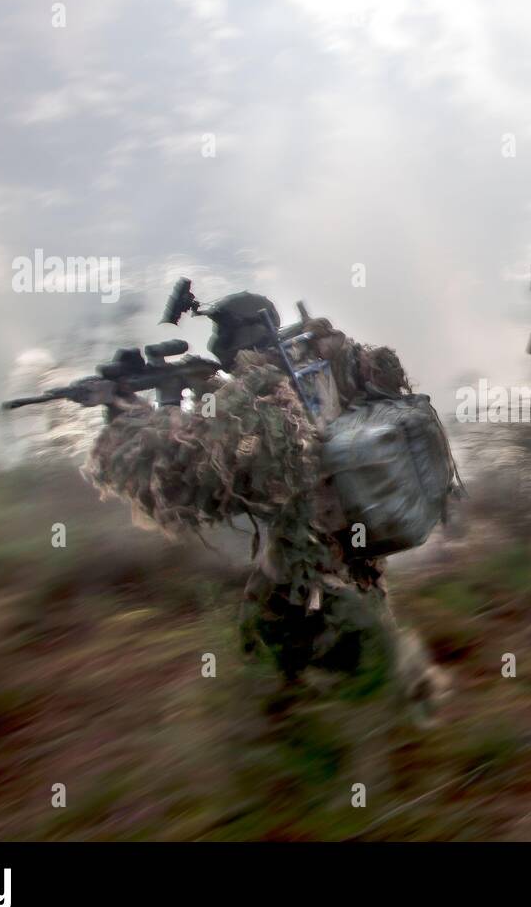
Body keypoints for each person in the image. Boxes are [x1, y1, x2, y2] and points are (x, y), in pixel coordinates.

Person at [83, 291, 450, 722]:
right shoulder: (317, 369)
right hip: (351, 546)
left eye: (223, 331)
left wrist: (142, 408)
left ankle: (348, 733)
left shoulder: (263, 395)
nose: (217, 341)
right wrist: (199, 388)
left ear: (243, 335)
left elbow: (190, 474)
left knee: (300, 656)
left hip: (311, 567)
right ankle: (384, 712)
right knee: (321, 640)